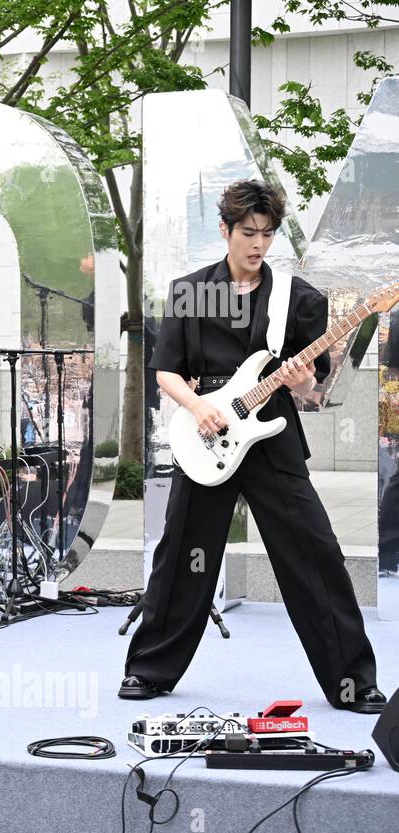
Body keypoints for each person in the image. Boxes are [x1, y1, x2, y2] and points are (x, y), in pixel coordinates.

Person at [121, 179, 386, 713]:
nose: (257, 243)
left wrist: (302, 383)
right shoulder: (188, 291)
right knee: (183, 558)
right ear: (225, 230)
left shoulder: (301, 297)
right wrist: (198, 407)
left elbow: (313, 391)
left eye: (266, 233)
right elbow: (167, 371)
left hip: (273, 439)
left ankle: (353, 681)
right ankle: (148, 670)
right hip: (205, 435)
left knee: (316, 554)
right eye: (248, 232)